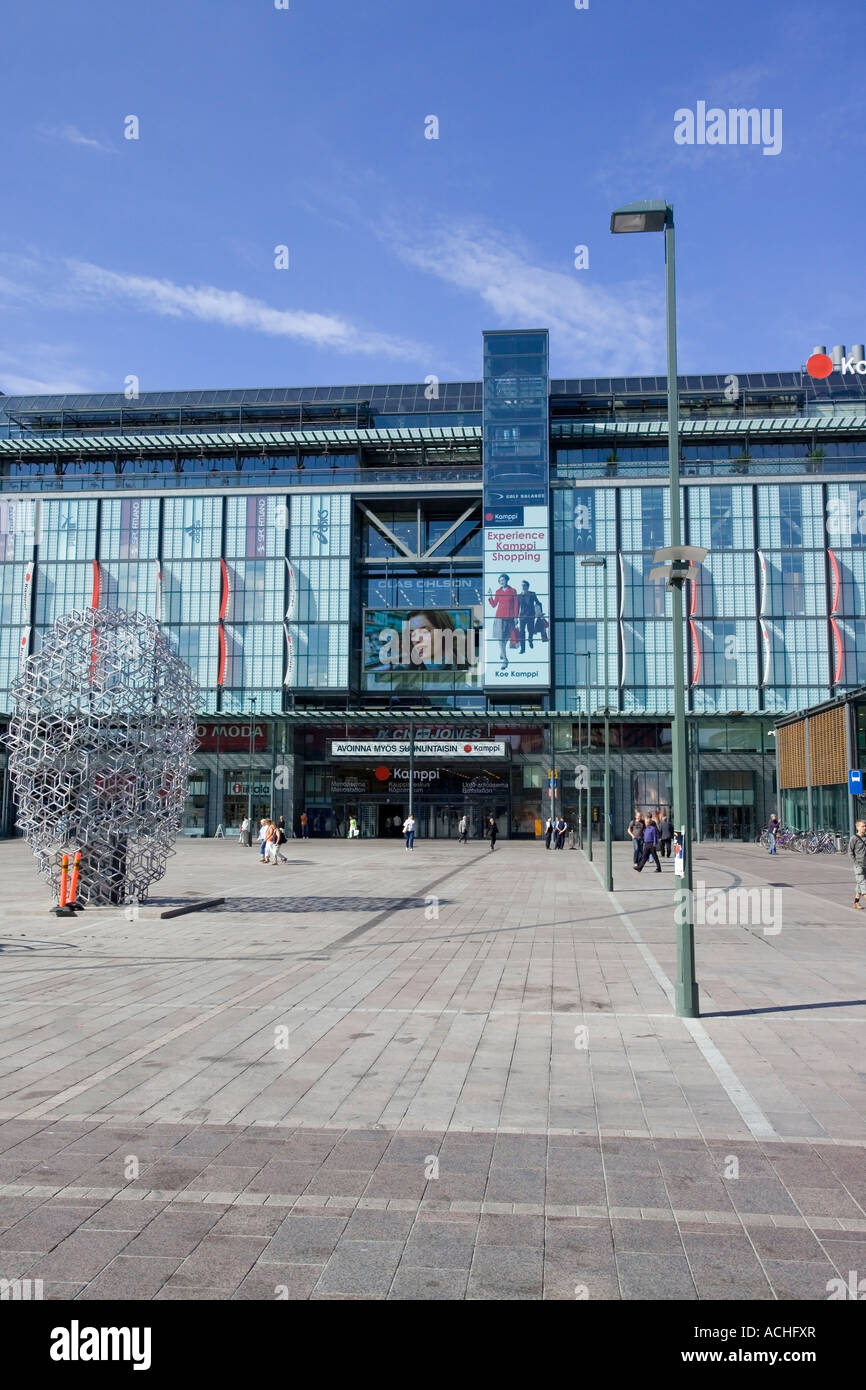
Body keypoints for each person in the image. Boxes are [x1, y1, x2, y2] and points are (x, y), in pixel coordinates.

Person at [487, 573, 519, 671]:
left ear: (507, 580)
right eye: (500, 581)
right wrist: (490, 596)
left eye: (503, 580)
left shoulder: (513, 590)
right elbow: (493, 605)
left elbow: (516, 605)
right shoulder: (498, 591)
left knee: (506, 637)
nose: (502, 582)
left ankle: (502, 651)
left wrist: (515, 617)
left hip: (510, 618)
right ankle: (505, 660)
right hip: (499, 617)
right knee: (500, 639)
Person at [517, 580, 542, 654]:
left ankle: (530, 640)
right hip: (522, 616)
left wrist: (539, 612)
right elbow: (517, 607)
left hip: (531, 615)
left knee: (530, 630)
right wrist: (515, 617)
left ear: (527, 586)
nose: (523, 587)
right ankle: (523, 648)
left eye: (524, 585)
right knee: (521, 632)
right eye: (522, 585)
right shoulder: (519, 596)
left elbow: (538, 602)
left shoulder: (532, 594)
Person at [849, 820, 866, 910]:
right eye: (863, 826)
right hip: (858, 865)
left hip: (865, 865)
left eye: (865, 826)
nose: (865, 827)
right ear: (858, 827)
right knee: (864, 884)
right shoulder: (854, 838)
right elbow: (850, 852)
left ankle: (856, 903)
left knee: (860, 884)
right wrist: (855, 863)